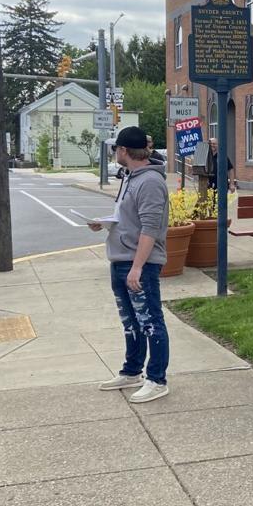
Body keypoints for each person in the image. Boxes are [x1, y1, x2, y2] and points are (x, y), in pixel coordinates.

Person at [90, 126, 171, 403]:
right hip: (121, 259)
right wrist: (104, 223)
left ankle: (157, 379)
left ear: (124, 151)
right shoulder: (131, 178)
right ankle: (132, 370)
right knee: (131, 322)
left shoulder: (149, 181)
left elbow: (150, 228)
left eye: (116, 149)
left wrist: (138, 267)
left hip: (139, 264)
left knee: (150, 322)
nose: (115, 154)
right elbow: (130, 218)